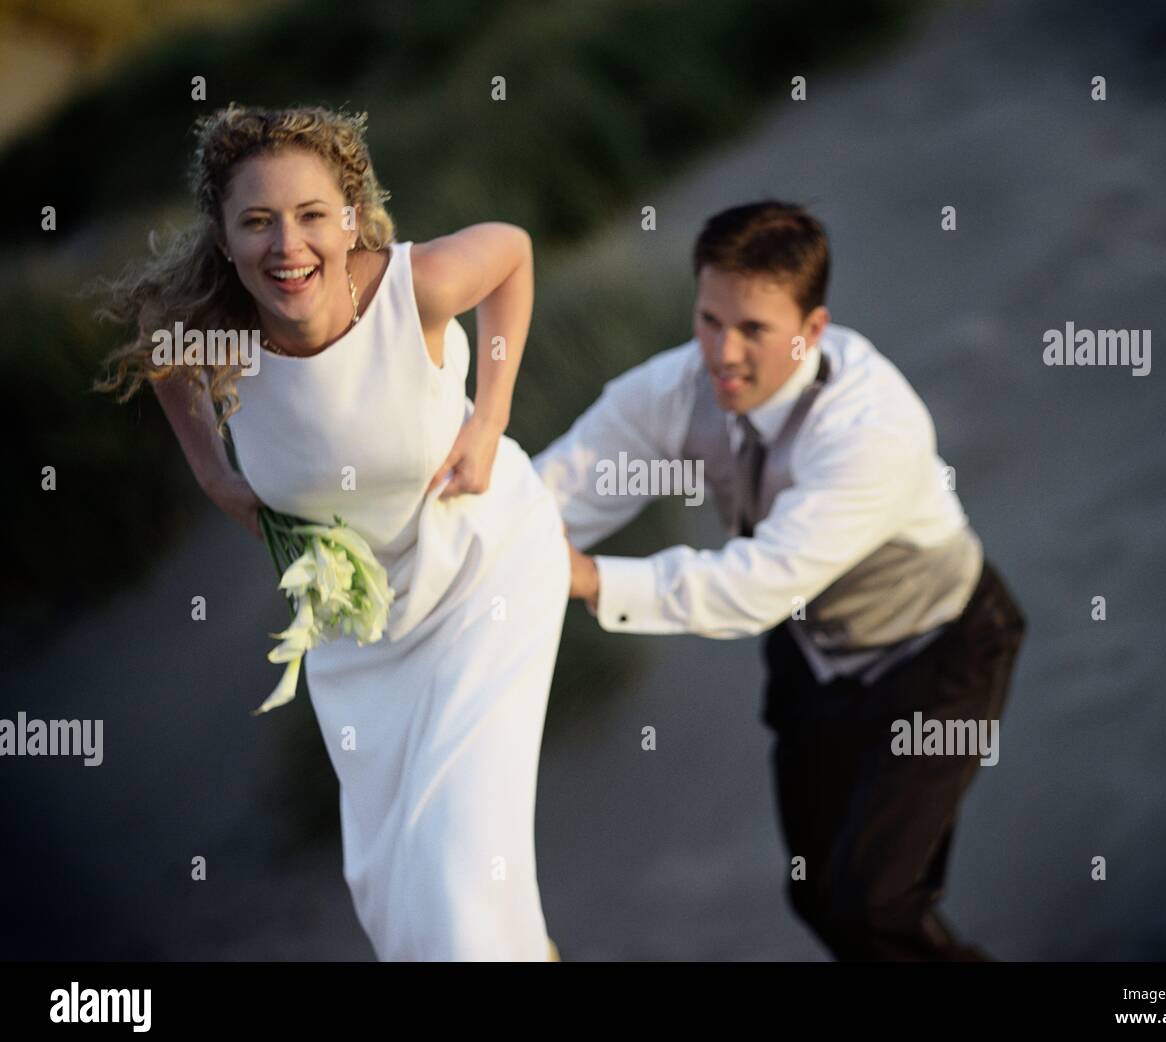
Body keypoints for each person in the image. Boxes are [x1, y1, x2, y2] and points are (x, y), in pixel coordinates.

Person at [94, 103, 567, 962]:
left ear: (350, 218)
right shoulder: (215, 332)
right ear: (223, 234)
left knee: (464, 880)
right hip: (361, 633)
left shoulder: (411, 289)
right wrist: (211, 471)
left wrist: (491, 417)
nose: (288, 247)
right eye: (258, 222)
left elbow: (513, 252)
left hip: (481, 580)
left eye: (312, 216)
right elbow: (156, 344)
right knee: (402, 902)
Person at [534, 200, 1028, 961]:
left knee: (875, 900)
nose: (722, 353)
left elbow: (757, 586)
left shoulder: (872, 430)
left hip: (940, 656)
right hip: (815, 663)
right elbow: (554, 492)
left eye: (753, 330)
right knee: (818, 897)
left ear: (813, 329)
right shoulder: (676, 390)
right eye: (707, 320)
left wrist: (592, 579)